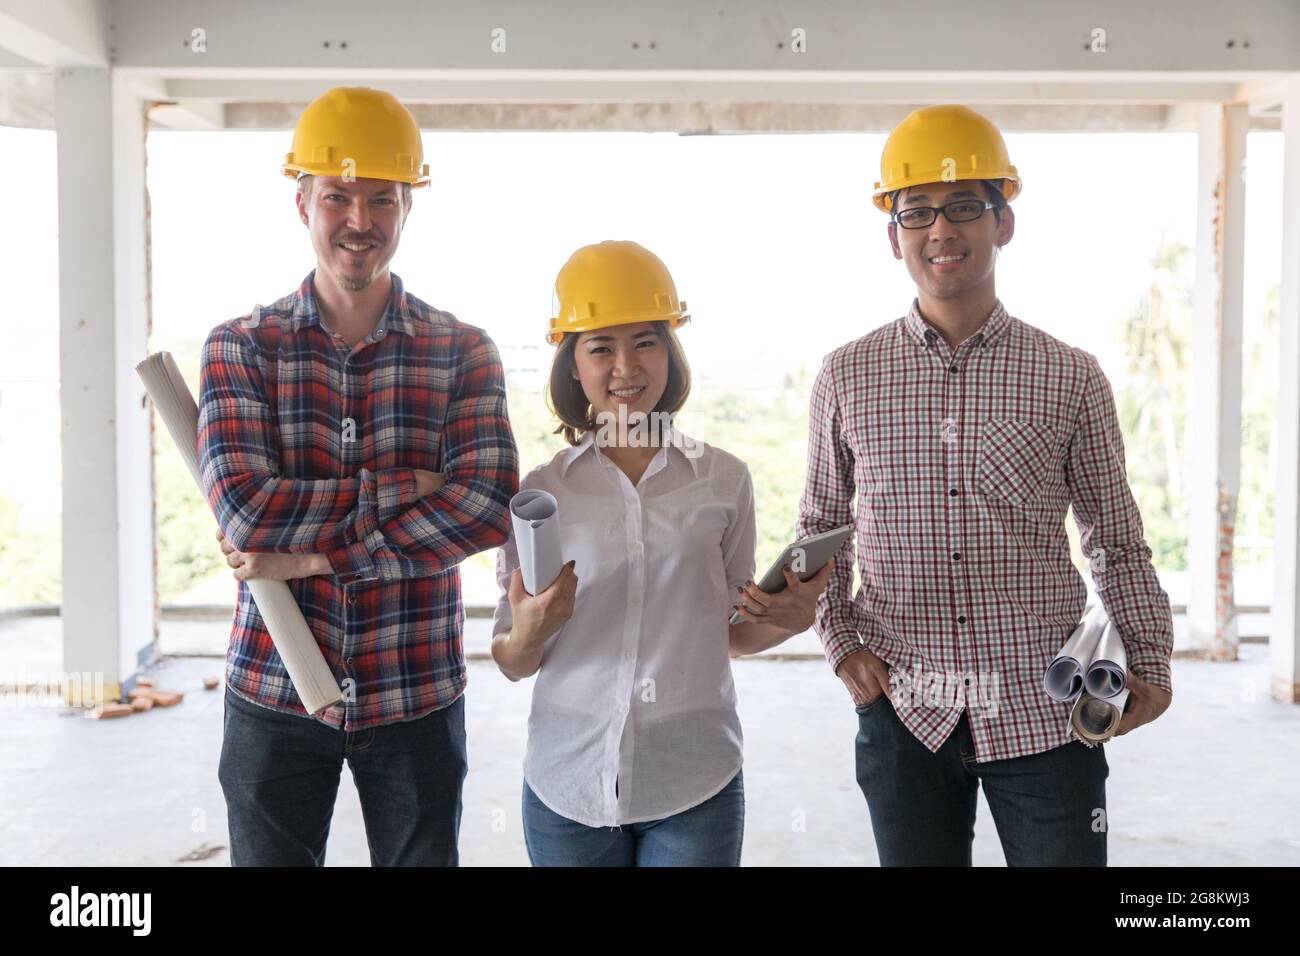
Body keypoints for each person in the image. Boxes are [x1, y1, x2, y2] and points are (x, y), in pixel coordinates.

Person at [795, 104, 1174, 866]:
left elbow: (1115, 538)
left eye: (965, 206)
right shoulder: (847, 374)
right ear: (893, 234)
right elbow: (820, 527)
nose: (942, 230)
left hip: (1046, 711)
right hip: (905, 710)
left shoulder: (1070, 375)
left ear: (1004, 223)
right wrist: (841, 647)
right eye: (918, 212)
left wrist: (1153, 660)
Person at [197, 87, 519, 866]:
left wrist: (312, 555)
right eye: (337, 196)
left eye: (382, 198)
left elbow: (484, 509)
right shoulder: (241, 346)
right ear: (301, 202)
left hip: (414, 689)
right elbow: (246, 514)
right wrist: (406, 490)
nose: (359, 221)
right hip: (273, 689)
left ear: (409, 208)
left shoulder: (463, 351)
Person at [489, 240, 832, 866]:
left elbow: (728, 632)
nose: (627, 366)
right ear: (572, 365)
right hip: (569, 776)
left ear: (670, 352)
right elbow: (513, 659)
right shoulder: (542, 491)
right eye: (600, 346)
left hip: (693, 774)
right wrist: (532, 631)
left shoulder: (724, 479)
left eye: (645, 341)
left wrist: (788, 620)